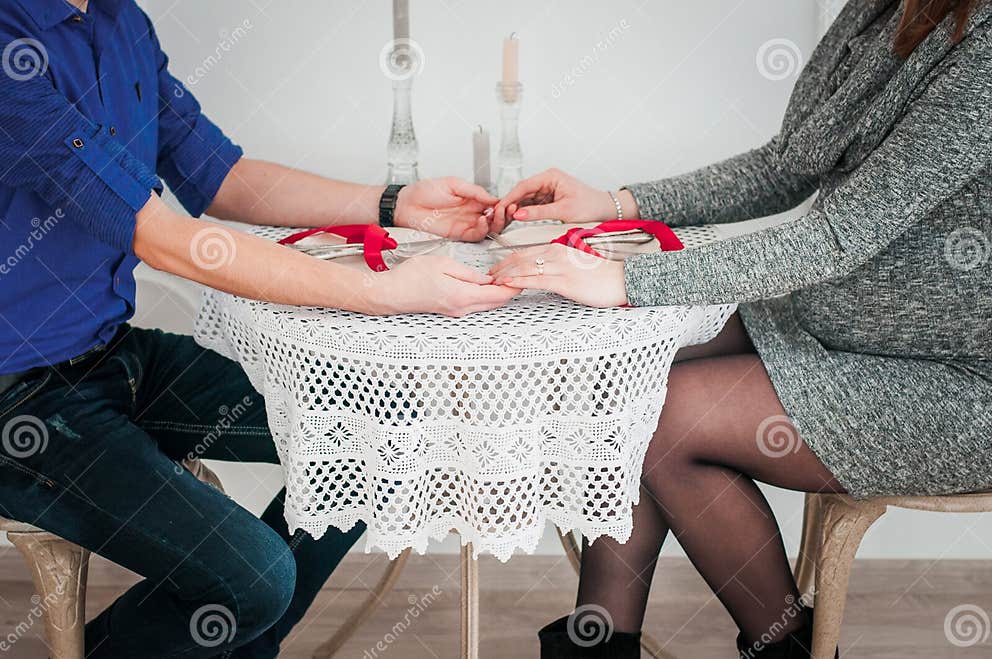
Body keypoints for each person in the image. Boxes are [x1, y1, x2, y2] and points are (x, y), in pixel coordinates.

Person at [0, 0, 514, 657]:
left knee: (386, 428)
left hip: (111, 356)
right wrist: (381, 294)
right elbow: (163, 238)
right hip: (20, 400)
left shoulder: (120, 20)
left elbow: (221, 176)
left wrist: (393, 204)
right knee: (254, 580)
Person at [490, 0, 992, 657]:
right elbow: (788, 164)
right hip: (831, 327)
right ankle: (598, 641)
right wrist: (615, 203)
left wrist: (628, 280)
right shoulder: (882, 7)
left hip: (958, 382)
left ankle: (781, 646)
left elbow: (838, 235)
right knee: (627, 376)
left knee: (663, 421)